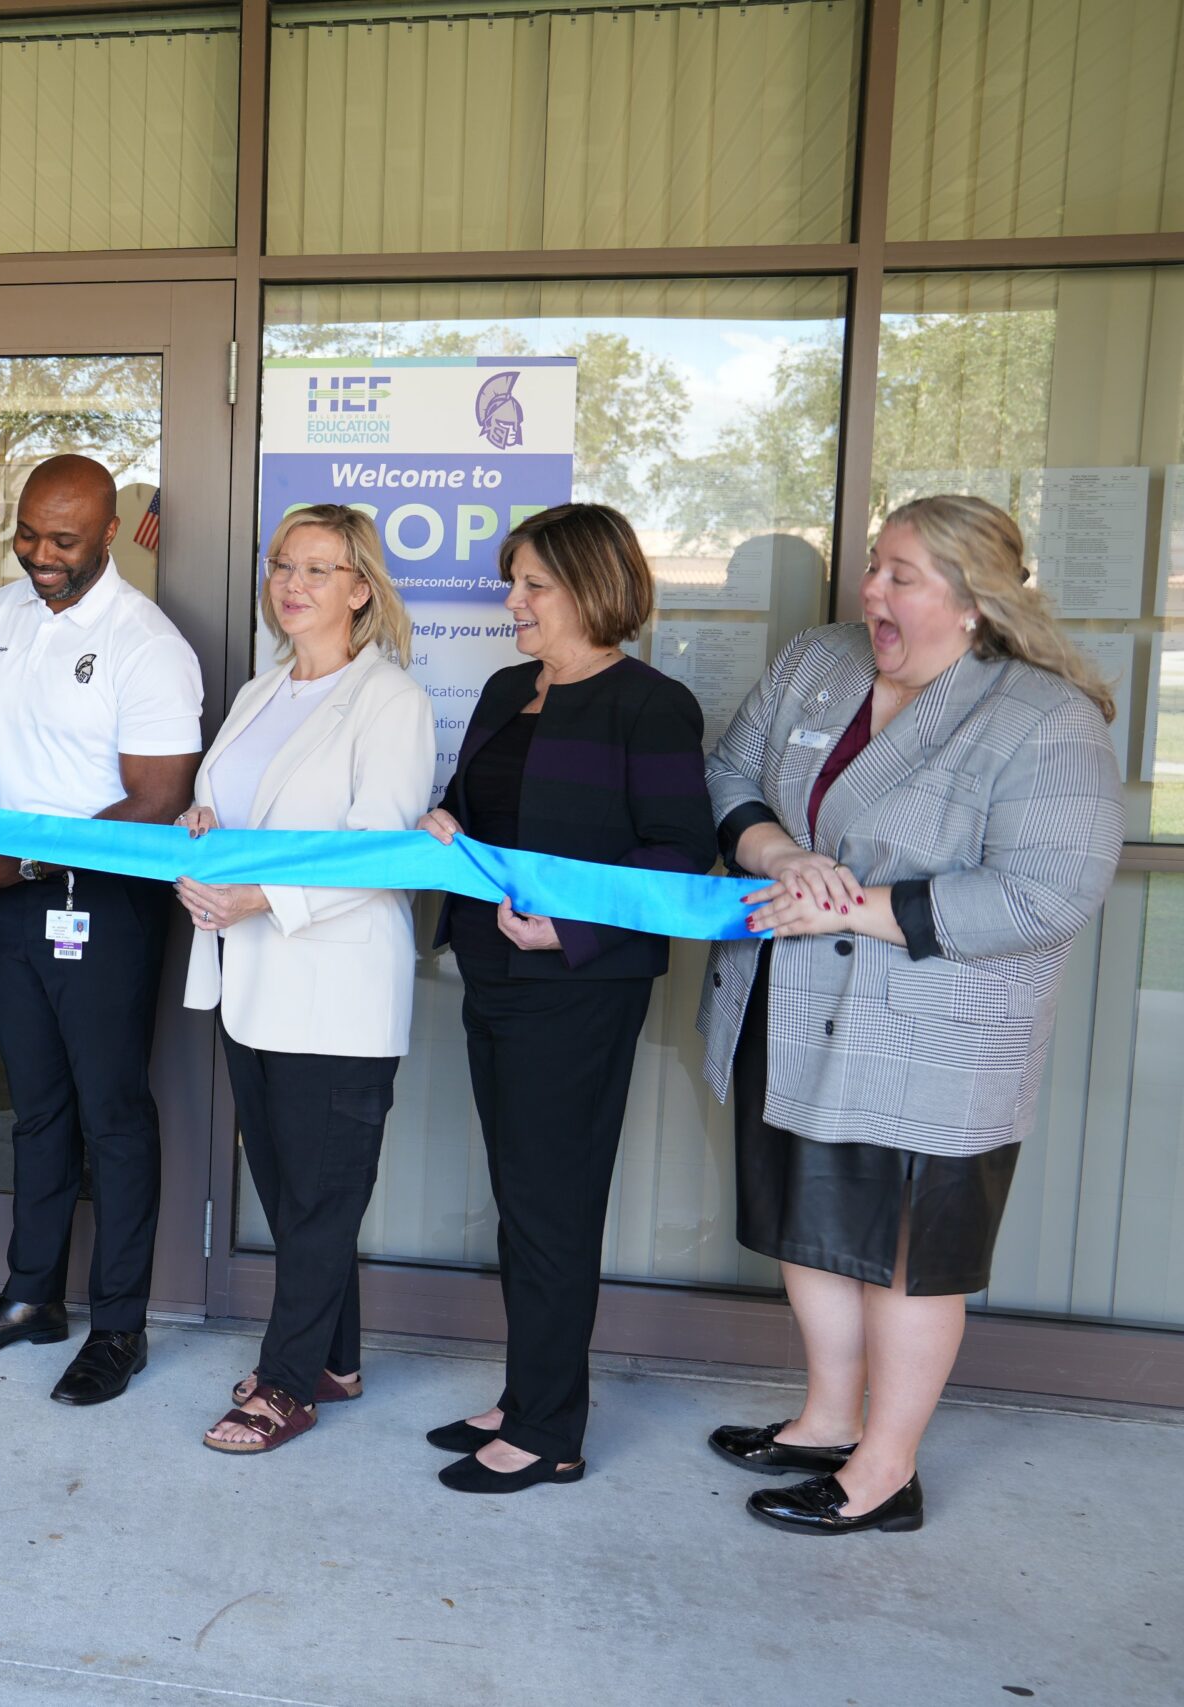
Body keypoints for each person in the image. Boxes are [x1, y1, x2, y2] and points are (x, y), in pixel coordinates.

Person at [700, 495, 1121, 1535]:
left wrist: (852, 903)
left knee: (901, 1258)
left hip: (929, 1033)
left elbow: (1047, 891)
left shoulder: (1038, 718)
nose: (869, 591)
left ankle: (884, 1471)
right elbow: (730, 775)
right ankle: (825, 1420)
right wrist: (778, 856)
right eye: (873, 568)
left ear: (973, 603)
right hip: (789, 1001)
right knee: (812, 1230)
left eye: (899, 575)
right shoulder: (820, 662)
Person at [417, 502, 717, 1493]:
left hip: (580, 989)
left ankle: (551, 1432)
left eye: (531, 584)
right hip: (491, 976)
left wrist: (575, 930)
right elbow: (484, 807)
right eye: (514, 581)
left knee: (554, 1205)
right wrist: (444, 822)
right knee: (520, 1198)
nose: (513, 601)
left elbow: (678, 855)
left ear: (593, 588)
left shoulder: (650, 704)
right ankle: (525, 1394)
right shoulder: (510, 687)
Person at [0, 454, 203, 1407]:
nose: (41, 555)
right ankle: (32, 1295)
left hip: (106, 900)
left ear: (109, 535)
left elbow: (159, 802)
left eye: (64, 540)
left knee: (113, 1115)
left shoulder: (145, 643)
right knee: (36, 1105)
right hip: (4, 897)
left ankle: (120, 1325)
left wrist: (25, 862)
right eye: (29, 535)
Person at [176, 504, 435, 1453]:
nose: (294, 583)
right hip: (252, 985)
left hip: (337, 990)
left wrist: (259, 897)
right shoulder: (262, 689)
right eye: (284, 565)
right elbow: (225, 797)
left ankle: (286, 1385)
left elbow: (384, 845)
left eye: (320, 570)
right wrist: (204, 821)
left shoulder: (389, 700)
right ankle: (334, 1355)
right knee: (292, 1194)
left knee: (321, 1200)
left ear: (362, 587)